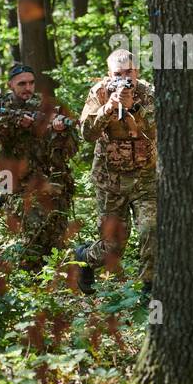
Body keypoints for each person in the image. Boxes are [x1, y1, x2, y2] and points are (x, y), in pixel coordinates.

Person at [0, 64, 78, 271]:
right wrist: (15, 121)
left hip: (50, 179)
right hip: (13, 180)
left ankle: (52, 281)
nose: (28, 87)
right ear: (10, 84)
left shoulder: (47, 106)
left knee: (55, 234)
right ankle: (29, 278)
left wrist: (62, 131)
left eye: (31, 83)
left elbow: (72, 148)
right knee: (30, 231)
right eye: (22, 83)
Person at [74, 49, 158, 297]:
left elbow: (158, 129)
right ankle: (85, 257)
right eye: (118, 74)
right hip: (110, 180)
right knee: (113, 246)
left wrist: (136, 108)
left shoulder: (148, 92)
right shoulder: (100, 92)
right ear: (109, 75)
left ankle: (149, 290)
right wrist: (108, 108)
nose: (125, 79)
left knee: (152, 231)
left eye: (129, 73)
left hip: (145, 178)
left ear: (137, 72)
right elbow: (86, 134)